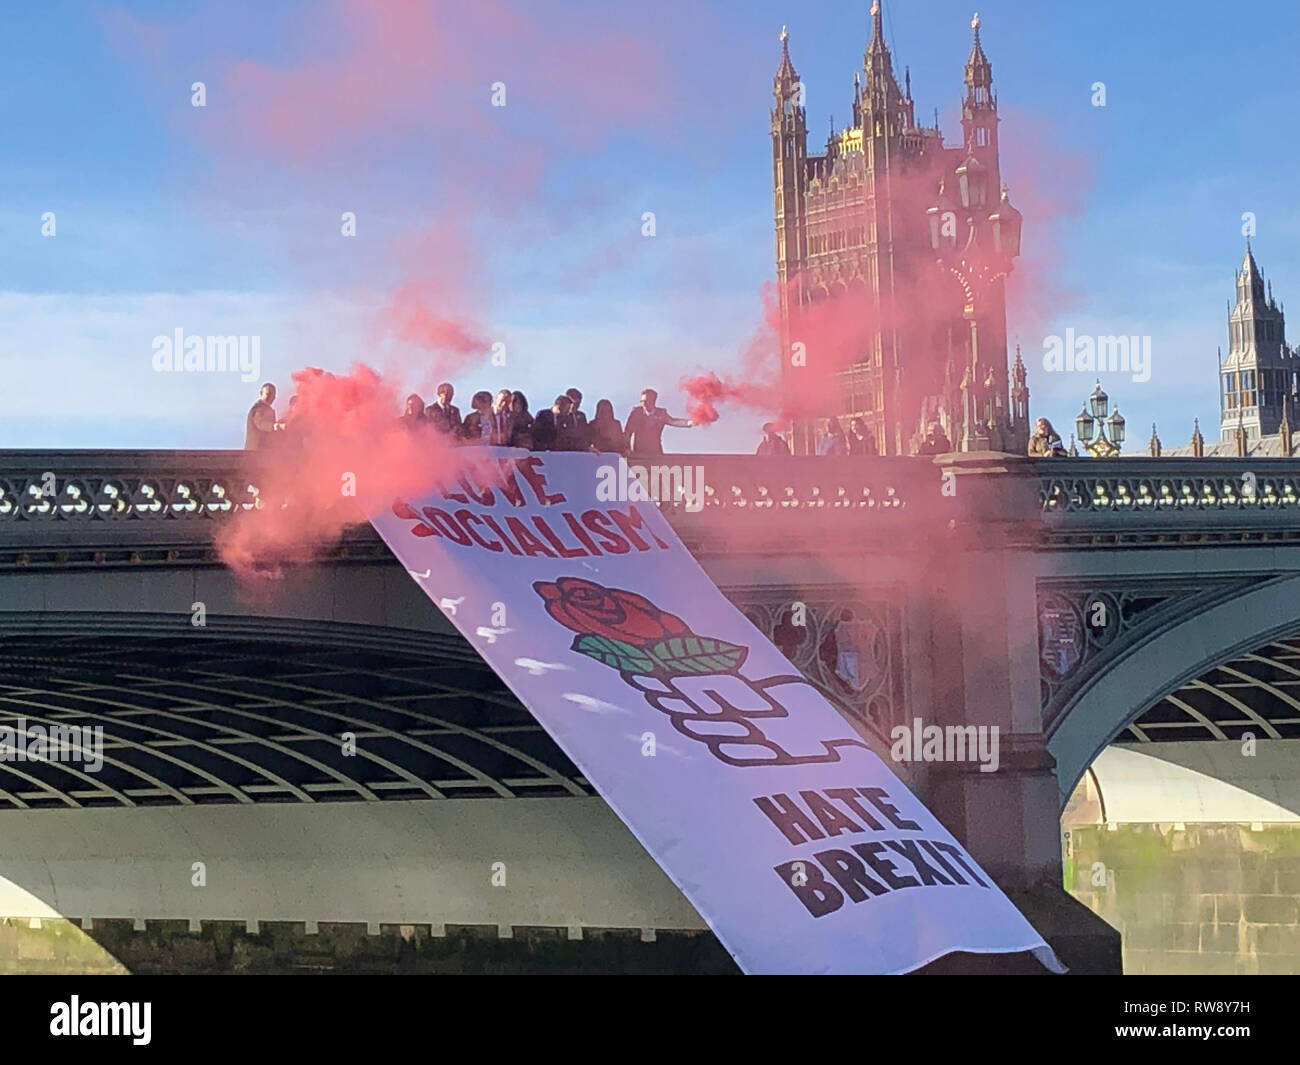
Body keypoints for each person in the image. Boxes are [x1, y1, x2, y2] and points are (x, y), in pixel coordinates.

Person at [625, 388, 693, 456]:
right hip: (638, 454)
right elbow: (628, 433)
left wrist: (689, 422)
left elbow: (673, 421)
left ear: (653, 401)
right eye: (642, 401)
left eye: (646, 401)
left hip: (655, 453)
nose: (644, 404)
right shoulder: (636, 413)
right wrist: (627, 448)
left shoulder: (661, 413)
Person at [245, 383, 277, 450]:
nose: (270, 397)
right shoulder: (258, 408)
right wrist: (275, 426)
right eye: (268, 394)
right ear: (260, 393)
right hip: (256, 452)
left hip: (262, 451)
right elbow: (260, 423)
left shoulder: (266, 408)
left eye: (272, 395)